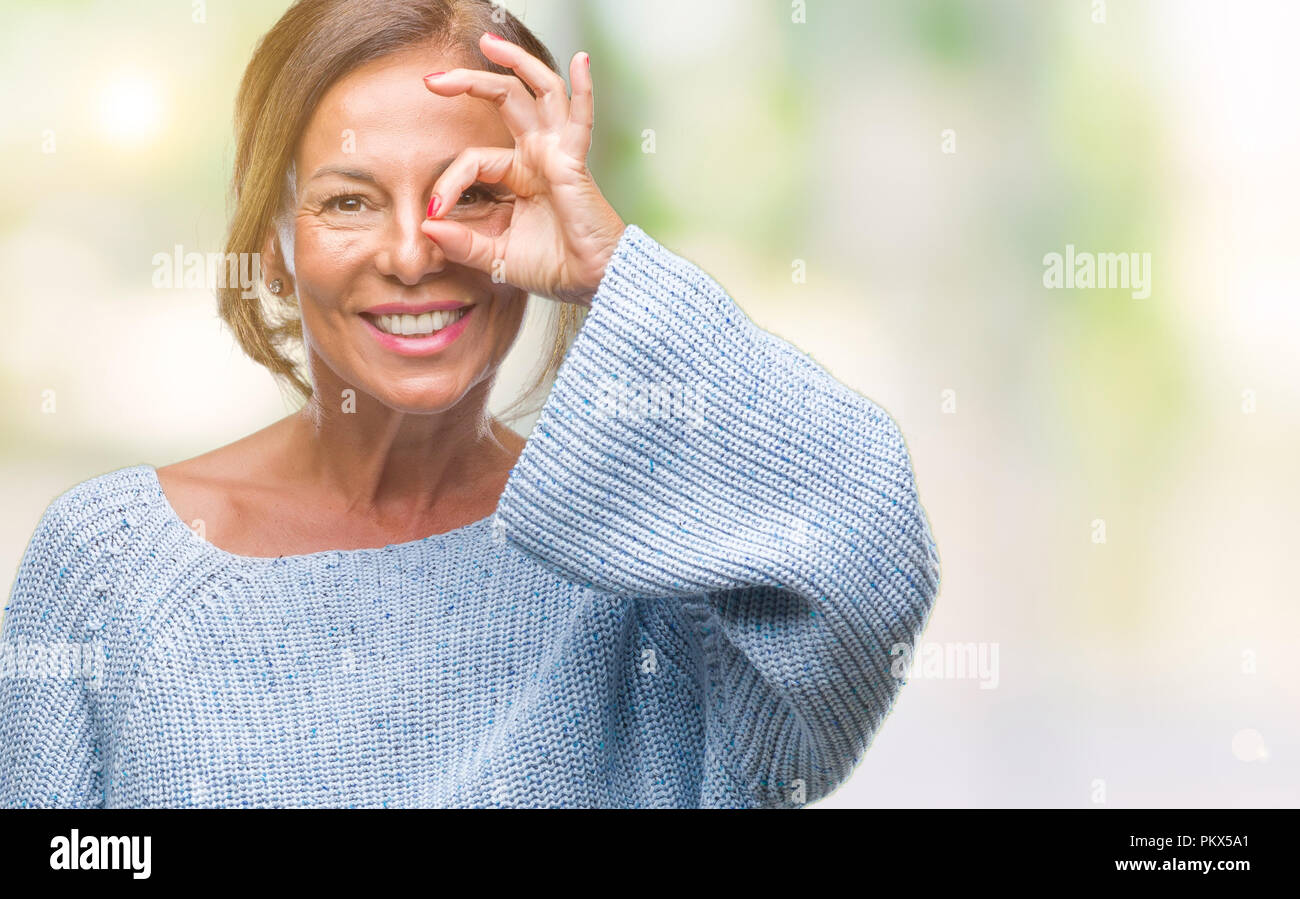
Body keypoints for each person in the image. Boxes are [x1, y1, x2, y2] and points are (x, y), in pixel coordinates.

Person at [0, 0, 940, 808]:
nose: (412, 255)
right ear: (277, 234)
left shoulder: (652, 590)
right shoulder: (112, 567)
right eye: (348, 202)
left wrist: (612, 272)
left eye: (474, 193)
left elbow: (873, 556)